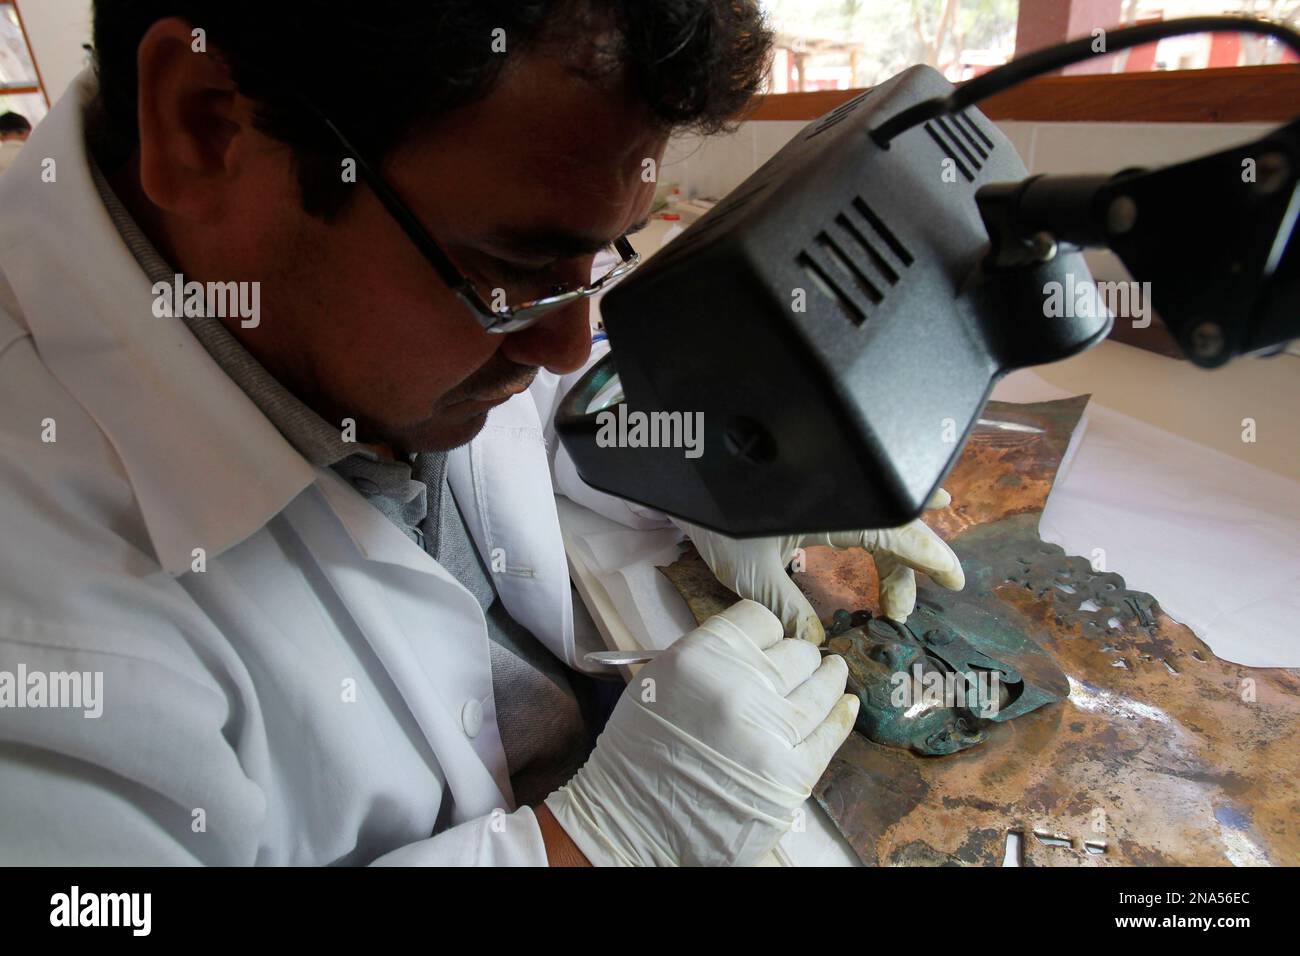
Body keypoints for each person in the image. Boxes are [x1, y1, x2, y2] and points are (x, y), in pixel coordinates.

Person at [0, 1, 963, 866]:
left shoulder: (369, 282)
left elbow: (550, 407)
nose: (565, 342)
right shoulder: (40, 631)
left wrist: (728, 460)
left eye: (602, 252)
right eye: (514, 264)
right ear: (205, 125)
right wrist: (599, 846)